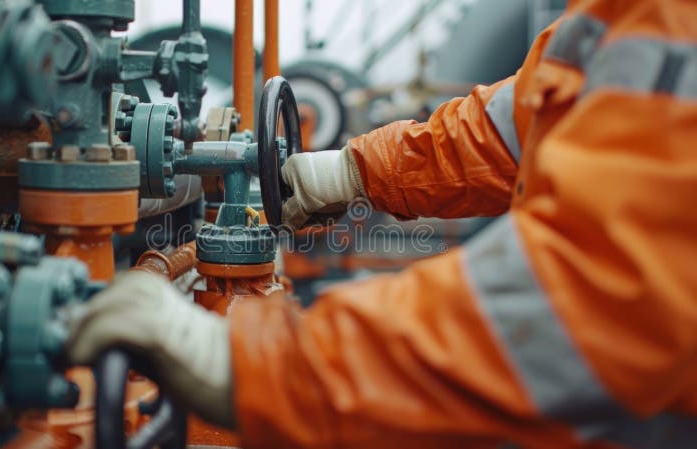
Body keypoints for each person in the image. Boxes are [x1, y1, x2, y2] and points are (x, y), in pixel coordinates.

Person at [66, 0, 697, 447]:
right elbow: (507, 131)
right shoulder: (619, 19)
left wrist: (257, 367)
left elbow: (598, 300)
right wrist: (354, 171)